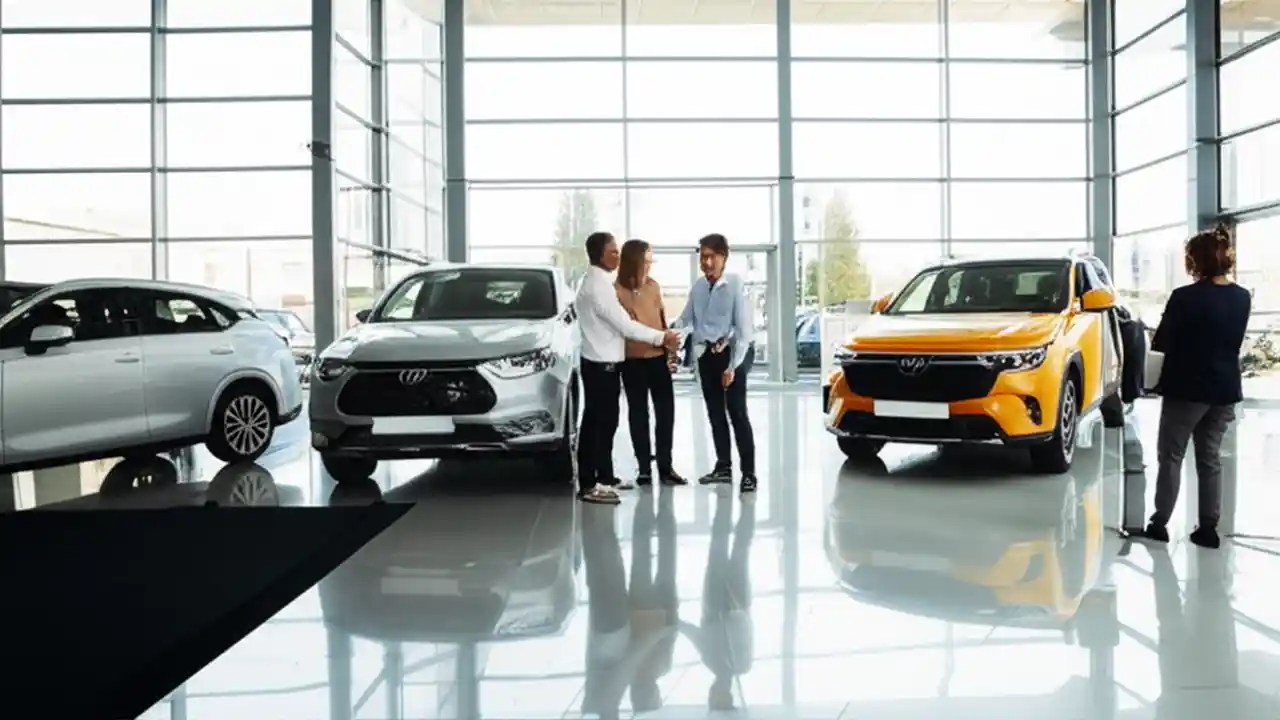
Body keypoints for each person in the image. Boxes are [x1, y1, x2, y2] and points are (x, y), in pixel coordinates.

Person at [1144, 224, 1251, 549]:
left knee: (1172, 455)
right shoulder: (1242, 296)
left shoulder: (1184, 297)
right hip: (1223, 389)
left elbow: (1161, 341)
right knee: (1209, 458)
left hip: (1187, 388)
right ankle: (1208, 529)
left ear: (1198, 261)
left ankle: (1159, 523)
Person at [576, 232, 682, 505]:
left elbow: (655, 319)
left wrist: (666, 346)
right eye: (613, 252)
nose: (617, 256)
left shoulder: (600, 284)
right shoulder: (601, 288)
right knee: (596, 424)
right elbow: (625, 326)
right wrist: (662, 338)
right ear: (599, 255)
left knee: (605, 422)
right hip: (604, 365)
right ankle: (591, 483)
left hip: (607, 364)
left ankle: (604, 477)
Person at [672, 233, 758, 494]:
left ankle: (749, 473)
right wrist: (671, 333)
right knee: (714, 412)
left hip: (734, 353)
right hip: (707, 354)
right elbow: (686, 320)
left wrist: (732, 367)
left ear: (724, 258)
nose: (707, 262)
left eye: (712, 257)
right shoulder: (698, 287)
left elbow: (743, 332)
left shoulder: (735, 285)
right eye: (703, 257)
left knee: (737, 412)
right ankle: (723, 467)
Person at [616, 240, 686, 487]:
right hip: (632, 361)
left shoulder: (654, 287)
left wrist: (670, 352)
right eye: (644, 262)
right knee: (638, 413)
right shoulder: (617, 292)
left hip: (658, 359)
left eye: (650, 262)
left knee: (666, 413)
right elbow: (628, 328)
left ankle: (666, 468)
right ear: (632, 262)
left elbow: (662, 321)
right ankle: (644, 467)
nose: (648, 267)